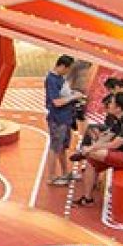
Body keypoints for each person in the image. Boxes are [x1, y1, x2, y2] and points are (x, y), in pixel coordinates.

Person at [71, 90, 123, 205]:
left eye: (111, 103)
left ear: (118, 108)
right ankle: (87, 198)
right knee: (91, 162)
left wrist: (89, 150)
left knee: (92, 154)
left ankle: (84, 155)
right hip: (122, 152)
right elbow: (108, 136)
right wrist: (93, 145)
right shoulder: (120, 118)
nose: (108, 105)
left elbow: (114, 144)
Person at [43, 54, 81, 185]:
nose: (67, 72)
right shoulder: (51, 80)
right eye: (67, 69)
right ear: (62, 66)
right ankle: (52, 176)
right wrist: (73, 97)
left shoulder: (60, 78)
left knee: (63, 147)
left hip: (66, 118)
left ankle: (65, 172)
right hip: (57, 119)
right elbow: (56, 102)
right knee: (55, 147)